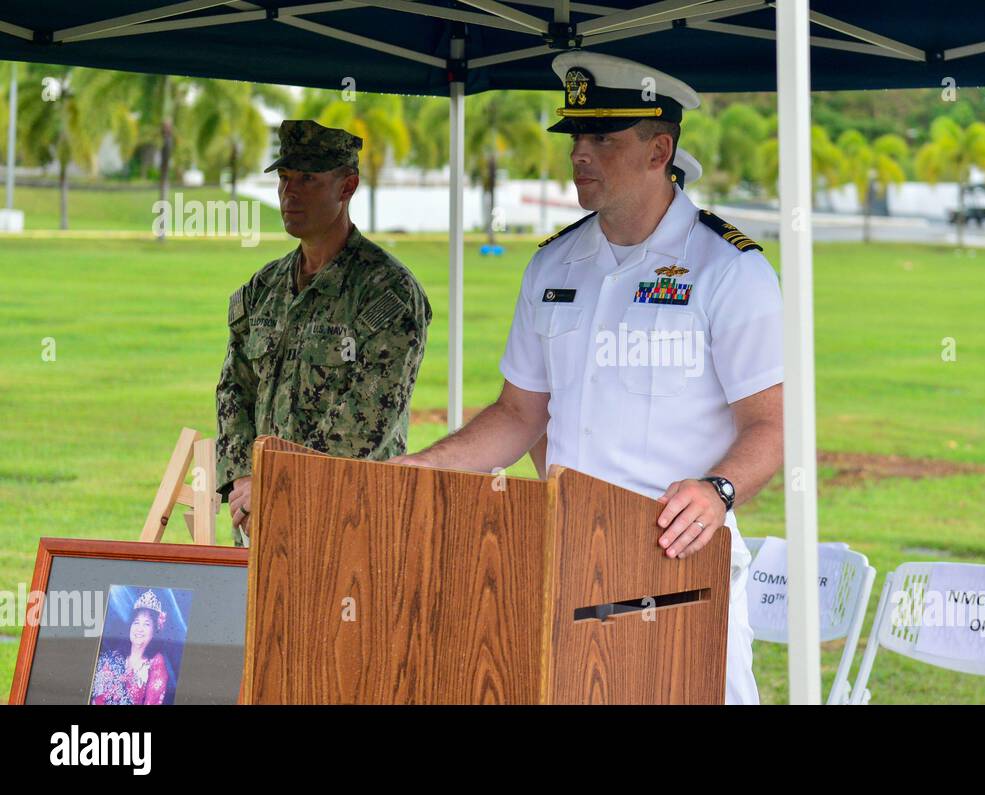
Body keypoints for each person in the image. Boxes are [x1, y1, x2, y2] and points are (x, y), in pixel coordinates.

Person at [391, 52, 784, 705]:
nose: (580, 152)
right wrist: (420, 469)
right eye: (577, 135)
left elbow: (772, 425)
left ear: (660, 149)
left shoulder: (728, 269)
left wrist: (718, 490)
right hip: (569, 559)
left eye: (603, 136)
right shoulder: (553, 264)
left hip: (680, 567)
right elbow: (519, 415)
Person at [216, 120, 431, 546]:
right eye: (284, 177)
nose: (289, 192)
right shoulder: (264, 287)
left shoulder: (387, 293)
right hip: (259, 518)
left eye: (308, 179)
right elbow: (232, 390)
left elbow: (366, 422)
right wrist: (243, 479)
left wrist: (274, 486)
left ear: (347, 187)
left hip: (350, 522)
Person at [90, 590, 170, 705]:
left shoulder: (156, 663)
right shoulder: (114, 657)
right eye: (136, 622)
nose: (139, 629)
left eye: (146, 624)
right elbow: (96, 697)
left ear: (155, 631)